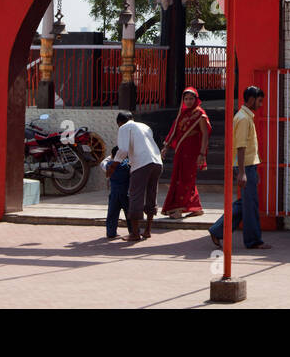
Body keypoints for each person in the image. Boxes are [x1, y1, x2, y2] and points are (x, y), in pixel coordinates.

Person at [209, 86, 270, 250]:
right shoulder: (243, 118)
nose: (260, 104)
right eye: (259, 100)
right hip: (245, 166)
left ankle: (218, 230)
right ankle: (253, 240)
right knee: (249, 204)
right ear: (251, 100)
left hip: (248, 165)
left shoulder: (245, 116)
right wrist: (242, 172)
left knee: (245, 203)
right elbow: (241, 146)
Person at [161, 86, 211, 219]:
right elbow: (174, 132)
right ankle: (196, 207)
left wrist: (202, 153)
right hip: (181, 150)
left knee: (185, 179)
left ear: (196, 99)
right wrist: (165, 147)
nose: (188, 101)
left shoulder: (200, 114)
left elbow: (205, 134)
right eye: (186, 99)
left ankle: (179, 209)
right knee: (180, 178)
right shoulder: (181, 114)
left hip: (192, 151)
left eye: (191, 98)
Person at [115, 111, 163, 242]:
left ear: (119, 123)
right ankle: (147, 230)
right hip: (157, 162)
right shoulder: (145, 126)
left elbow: (123, 150)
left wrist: (114, 164)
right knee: (151, 195)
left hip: (141, 164)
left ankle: (135, 233)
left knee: (136, 196)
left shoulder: (124, 127)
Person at [101, 146, 131, 240]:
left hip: (114, 194)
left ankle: (111, 232)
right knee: (129, 214)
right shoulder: (127, 165)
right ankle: (133, 231)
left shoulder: (110, 164)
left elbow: (102, 164)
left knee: (112, 214)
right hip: (125, 193)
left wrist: (111, 157)